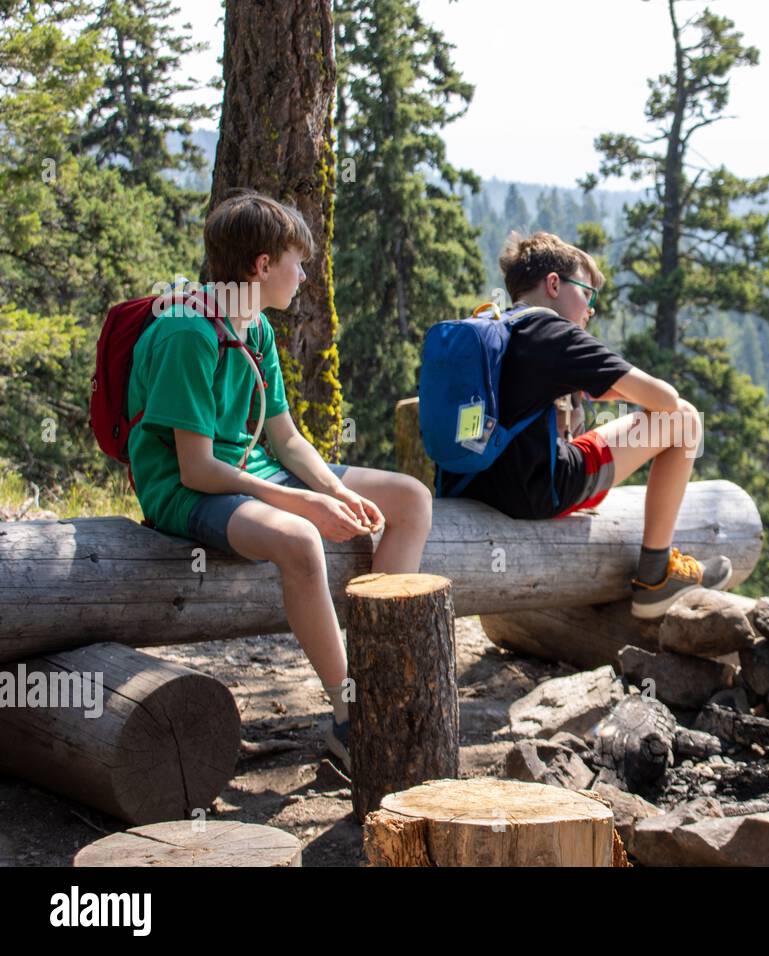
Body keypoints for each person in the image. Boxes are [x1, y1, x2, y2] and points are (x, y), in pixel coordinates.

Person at [126, 189, 434, 773]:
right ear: (261, 266)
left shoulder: (257, 328)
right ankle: (351, 716)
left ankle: (376, 673)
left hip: (246, 470)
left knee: (411, 498)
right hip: (186, 489)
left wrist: (338, 491)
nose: (305, 275)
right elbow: (195, 468)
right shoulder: (188, 334)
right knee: (298, 538)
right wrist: (302, 504)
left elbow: (286, 439)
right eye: (297, 261)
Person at [437, 230, 731, 619]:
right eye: (588, 295)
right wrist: (603, 389)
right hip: (536, 493)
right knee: (686, 419)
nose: (590, 310)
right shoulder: (556, 334)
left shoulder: (492, 327)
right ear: (554, 284)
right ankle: (655, 578)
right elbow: (665, 399)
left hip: (468, 485)